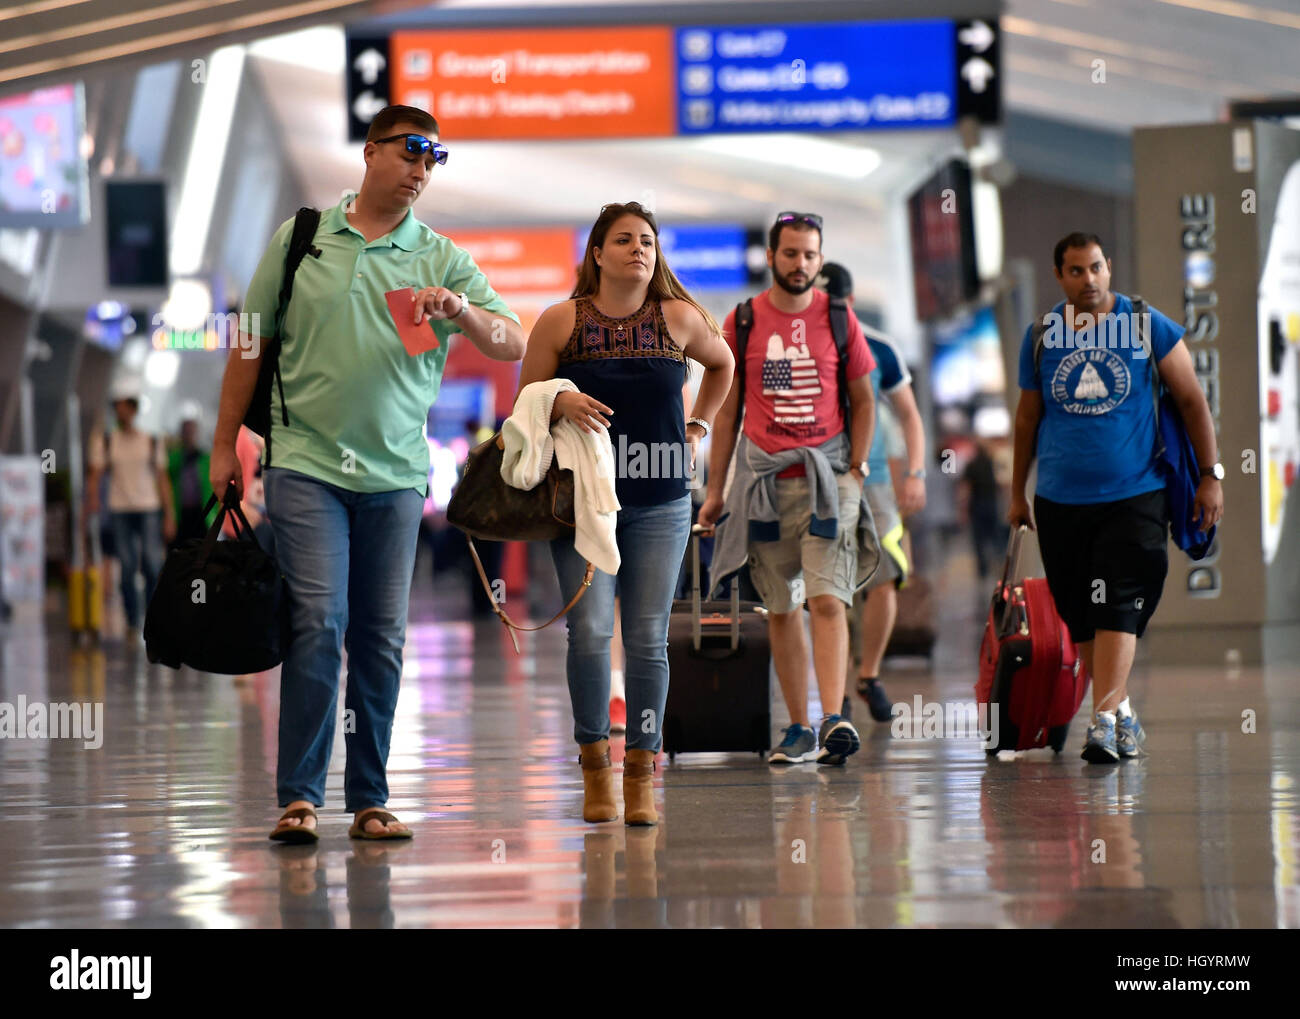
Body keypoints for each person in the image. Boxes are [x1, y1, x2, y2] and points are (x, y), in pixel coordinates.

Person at [210, 104, 524, 842]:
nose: (421, 170)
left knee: (380, 635)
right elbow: (250, 343)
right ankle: (299, 796)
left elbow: (512, 339)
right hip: (305, 464)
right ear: (372, 152)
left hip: (395, 473)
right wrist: (226, 444)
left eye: (433, 159)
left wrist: (465, 313)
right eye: (411, 153)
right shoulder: (304, 237)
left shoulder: (439, 255)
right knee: (318, 621)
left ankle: (371, 797)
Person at [514, 201, 733, 825]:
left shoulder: (681, 320)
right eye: (625, 240)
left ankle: (641, 773)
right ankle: (595, 771)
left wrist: (699, 423)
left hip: (663, 499)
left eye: (648, 241)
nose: (639, 249)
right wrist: (559, 402)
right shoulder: (561, 321)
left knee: (645, 639)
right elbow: (523, 406)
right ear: (598, 253)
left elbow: (723, 366)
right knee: (588, 634)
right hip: (582, 502)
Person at [1009, 232, 1223, 763]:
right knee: (1083, 615)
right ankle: (1121, 713)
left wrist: (1212, 475)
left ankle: (1102, 720)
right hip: (1060, 500)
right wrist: (1017, 492)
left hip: (1135, 494)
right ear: (1060, 276)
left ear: (1110, 268)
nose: (1090, 280)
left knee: (1119, 604)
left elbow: (1193, 399)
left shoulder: (1147, 325)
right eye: (1077, 271)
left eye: (1097, 268)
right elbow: (1027, 419)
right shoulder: (1041, 336)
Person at [699, 212, 879, 767]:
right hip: (763, 484)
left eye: (810, 255)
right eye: (791, 253)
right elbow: (728, 412)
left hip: (828, 481)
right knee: (781, 607)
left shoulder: (841, 319)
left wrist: (858, 466)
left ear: (820, 261)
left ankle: (833, 719)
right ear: (772, 256)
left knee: (827, 597)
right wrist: (715, 490)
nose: (800, 264)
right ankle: (798, 727)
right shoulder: (744, 321)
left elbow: (865, 399)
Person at [815, 263, 928, 724]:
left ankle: (869, 674)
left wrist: (917, 473)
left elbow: (909, 414)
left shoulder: (878, 347)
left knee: (885, 577)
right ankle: (834, 692)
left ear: (851, 303)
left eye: (836, 305)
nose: (829, 313)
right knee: (828, 588)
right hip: (818, 480)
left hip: (875, 480)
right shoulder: (801, 346)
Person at [86, 384, 176, 643]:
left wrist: (169, 515)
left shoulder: (151, 440)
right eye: (117, 407)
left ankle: (152, 615)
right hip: (120, 510)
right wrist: (92, 501)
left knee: (151, 563)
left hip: (148, 508)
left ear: (134, 409)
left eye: (125, 406)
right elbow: (95, 474)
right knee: (126, 566)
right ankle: (132, 620)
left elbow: (162, 479)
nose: (120, 411)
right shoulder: (106, 440)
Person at [167, 416, 212, 545]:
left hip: (201, 511)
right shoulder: (174, 457)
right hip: (180, 512)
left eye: (191, 431)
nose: (189, 435)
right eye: (186, 431)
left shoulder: (204, 458)